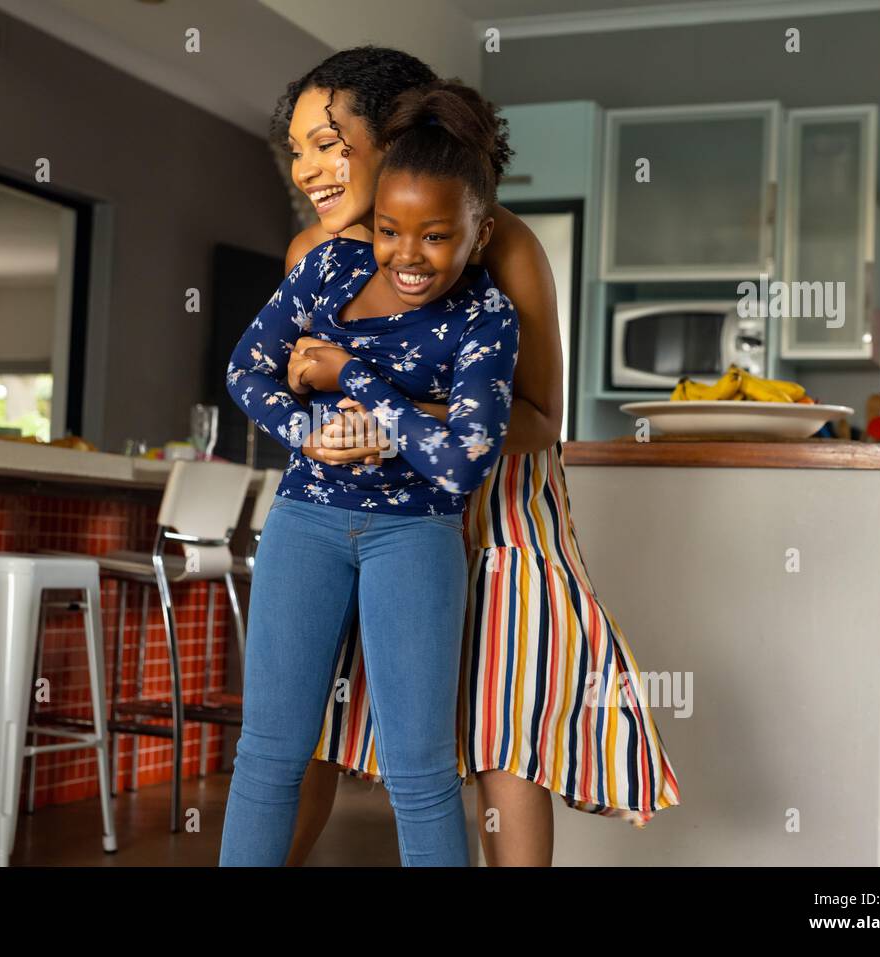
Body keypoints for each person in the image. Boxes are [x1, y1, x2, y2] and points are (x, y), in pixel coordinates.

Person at [272, 47, 681, 868]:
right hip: (371, 508)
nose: (307, 168)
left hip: (501, 515)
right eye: (296, 148)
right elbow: (291, 386)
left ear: (388, 138)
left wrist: (402, 415)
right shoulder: (311, 258)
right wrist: (326, 426)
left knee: (505, 716)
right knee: (317, 718)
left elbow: (538, 417)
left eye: (327, 141)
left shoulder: (506, 246)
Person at [219, 81, 520, 867]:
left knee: (421, 773)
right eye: (391, 230)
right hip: (302, 522)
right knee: (268, 754)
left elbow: (463, 460)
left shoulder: (486, 316)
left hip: (415, 535)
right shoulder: (326, 270)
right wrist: (309, 434)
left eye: (435, 237)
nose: (409, 256)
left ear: (478, 235)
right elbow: (247, 369)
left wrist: (354, 376)